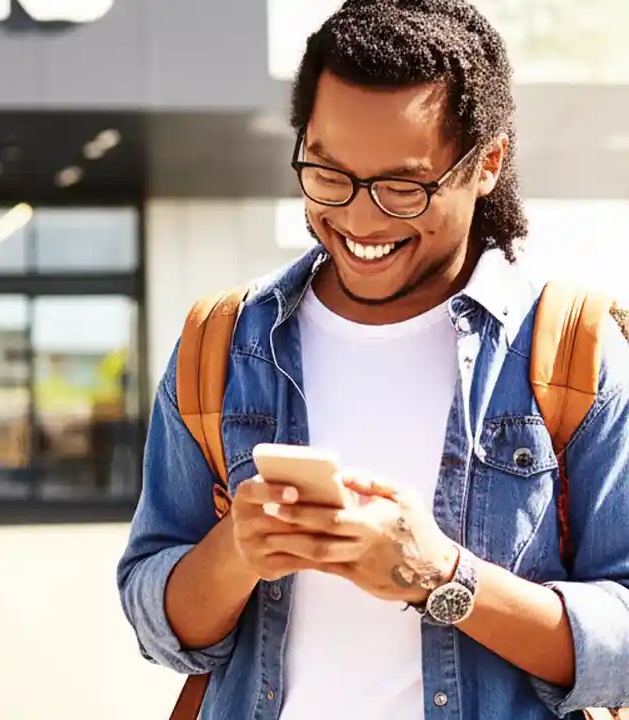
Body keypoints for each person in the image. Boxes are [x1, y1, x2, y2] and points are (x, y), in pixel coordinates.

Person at [115, 1, 629, 719]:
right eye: (328, 176)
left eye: (402, 188)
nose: (360, 220)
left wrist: (443, 576)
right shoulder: (223, 343)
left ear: (486, 164)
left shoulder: (573, 349)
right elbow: (156, 623)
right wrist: (236, 552)